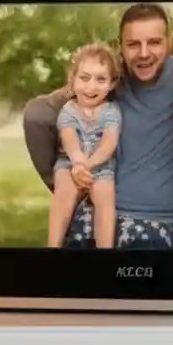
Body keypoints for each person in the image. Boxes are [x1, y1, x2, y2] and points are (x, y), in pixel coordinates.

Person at [23, 3, 173, 249]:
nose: (144, 53)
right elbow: (37, 115)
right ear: (120, 47)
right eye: (133, 44)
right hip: (91, 215)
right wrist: (73, 177)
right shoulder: (109, 78)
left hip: (154, 225)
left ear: (170, 41)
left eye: (155, 42)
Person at [47, 43, 122, 249]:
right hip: (71, 162)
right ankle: (52, 245)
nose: (91, 87)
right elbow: (69, 140)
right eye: (85, 78)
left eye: (101, 79)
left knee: (106, 198)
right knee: (64, 187)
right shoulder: (69, 111)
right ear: (73, 80)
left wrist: (88, 166)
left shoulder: (110, 111)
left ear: (112, 84)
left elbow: (109, 143)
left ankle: (104, 249)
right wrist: (78, 164)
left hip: (100, 165)